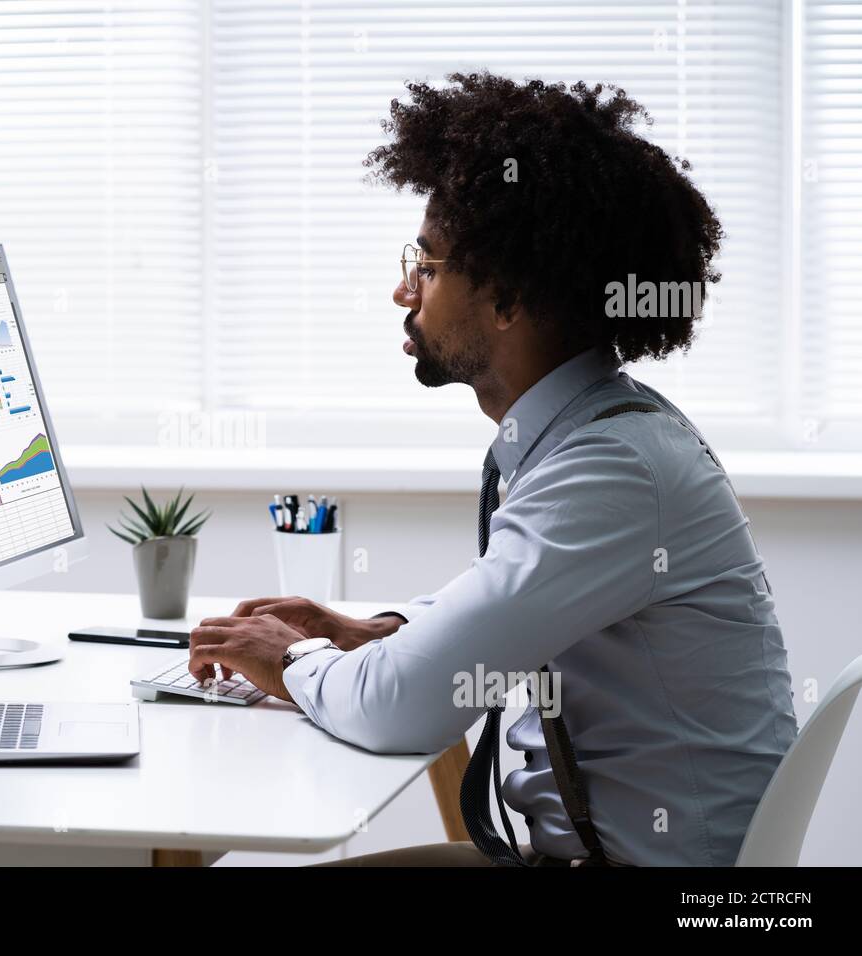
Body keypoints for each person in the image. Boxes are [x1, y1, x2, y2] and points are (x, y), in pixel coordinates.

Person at [187, 72, 798, 867]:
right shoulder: (604, 434)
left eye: (429, 266)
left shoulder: (614, 469)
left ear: (508, 299)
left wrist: (289, 656)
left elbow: (397, 708)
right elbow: (521, 585)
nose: (403, 290)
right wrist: (382, 630)